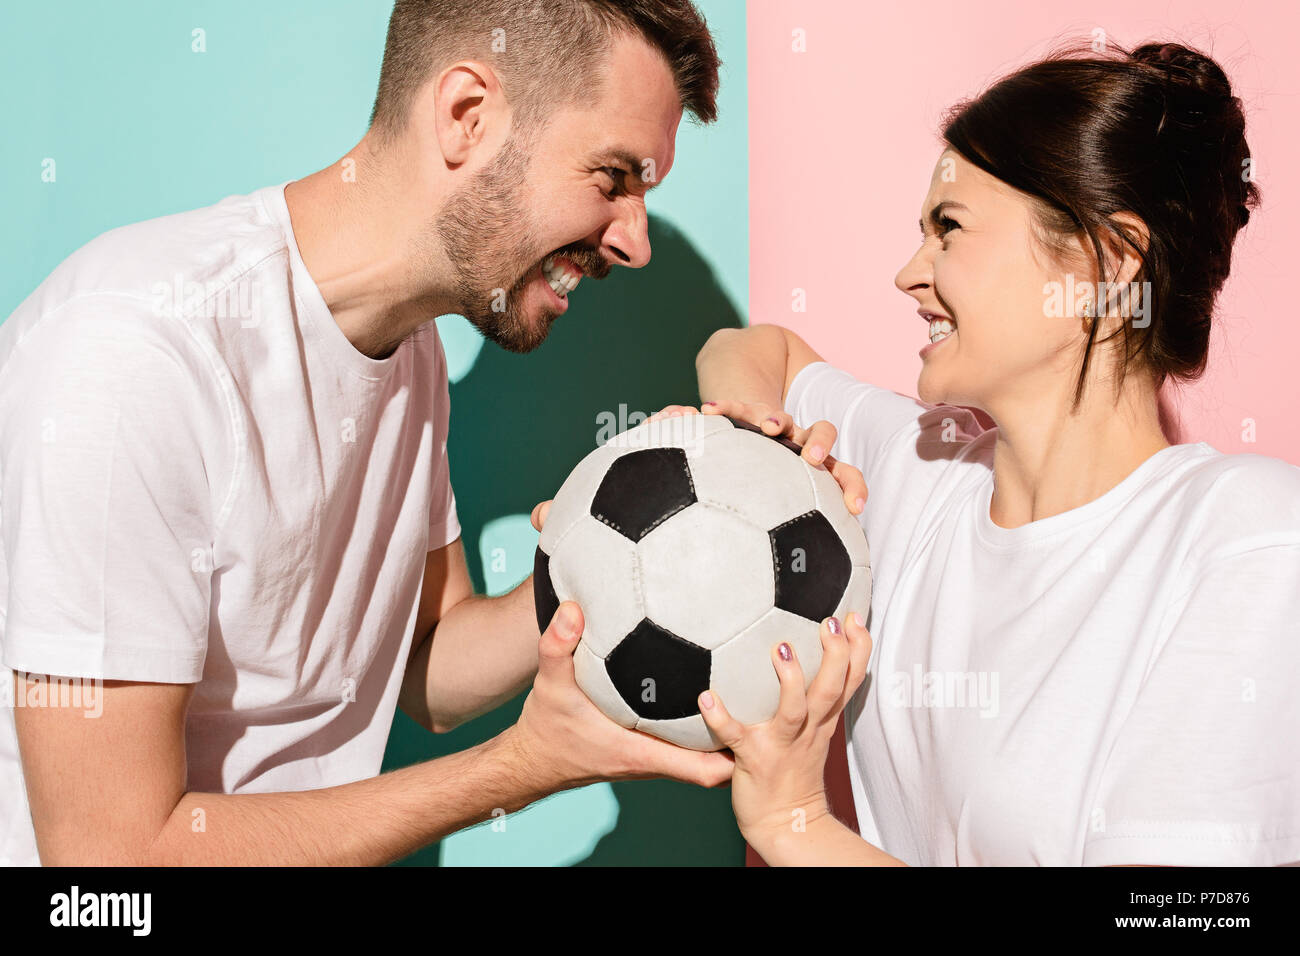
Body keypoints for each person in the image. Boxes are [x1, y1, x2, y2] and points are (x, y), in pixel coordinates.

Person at [0, 0, 777, 867]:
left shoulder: (409, 354)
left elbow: (427, 666)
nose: (633, 241)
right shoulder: (136, 353)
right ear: (466, 117)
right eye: (612, 177)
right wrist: (520, 768)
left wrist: (641, 532)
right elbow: (110, 862)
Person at [693, 40, 1300, 866]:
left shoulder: (1249, 539)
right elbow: (752, 349)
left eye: (949, 230)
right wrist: (760, 443)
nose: (909, 274)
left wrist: (795, 823)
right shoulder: (920, 469)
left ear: (1107, 262)